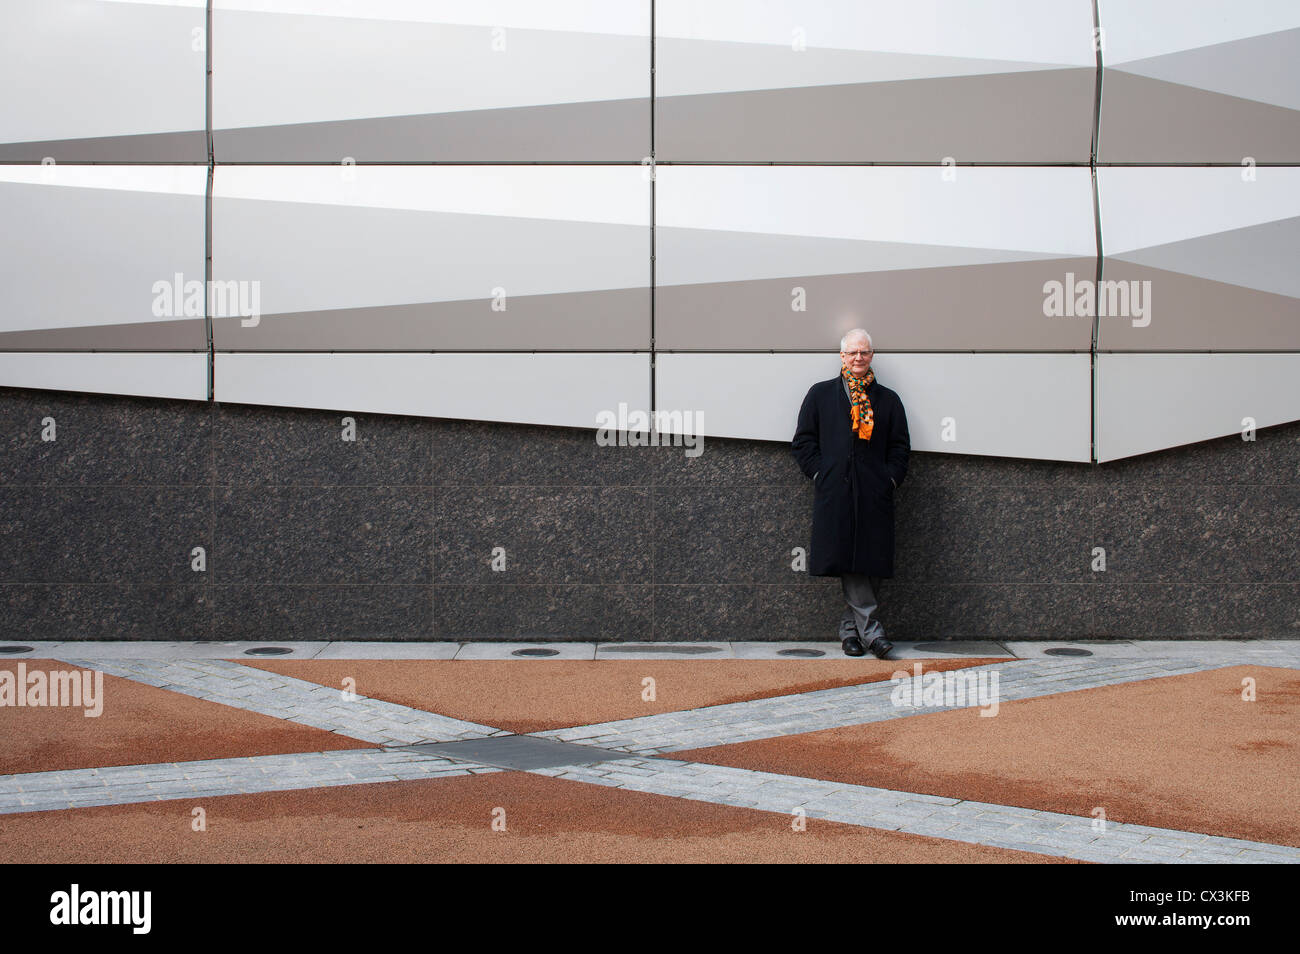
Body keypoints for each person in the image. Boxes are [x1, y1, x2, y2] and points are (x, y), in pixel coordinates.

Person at [791, 329, 910, 658]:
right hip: (837, 494)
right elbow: (803, 442)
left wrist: (890, 480)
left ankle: (849, 632)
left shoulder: (888, 400)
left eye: (864, 352)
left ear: (872, 356)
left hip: (875, 495)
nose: (858, 358)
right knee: (852, 562)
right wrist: (820, 473)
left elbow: (900, 447)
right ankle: (873, 632)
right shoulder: (820, 395)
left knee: (869, 562)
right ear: (842, 357)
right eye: (852, 353)